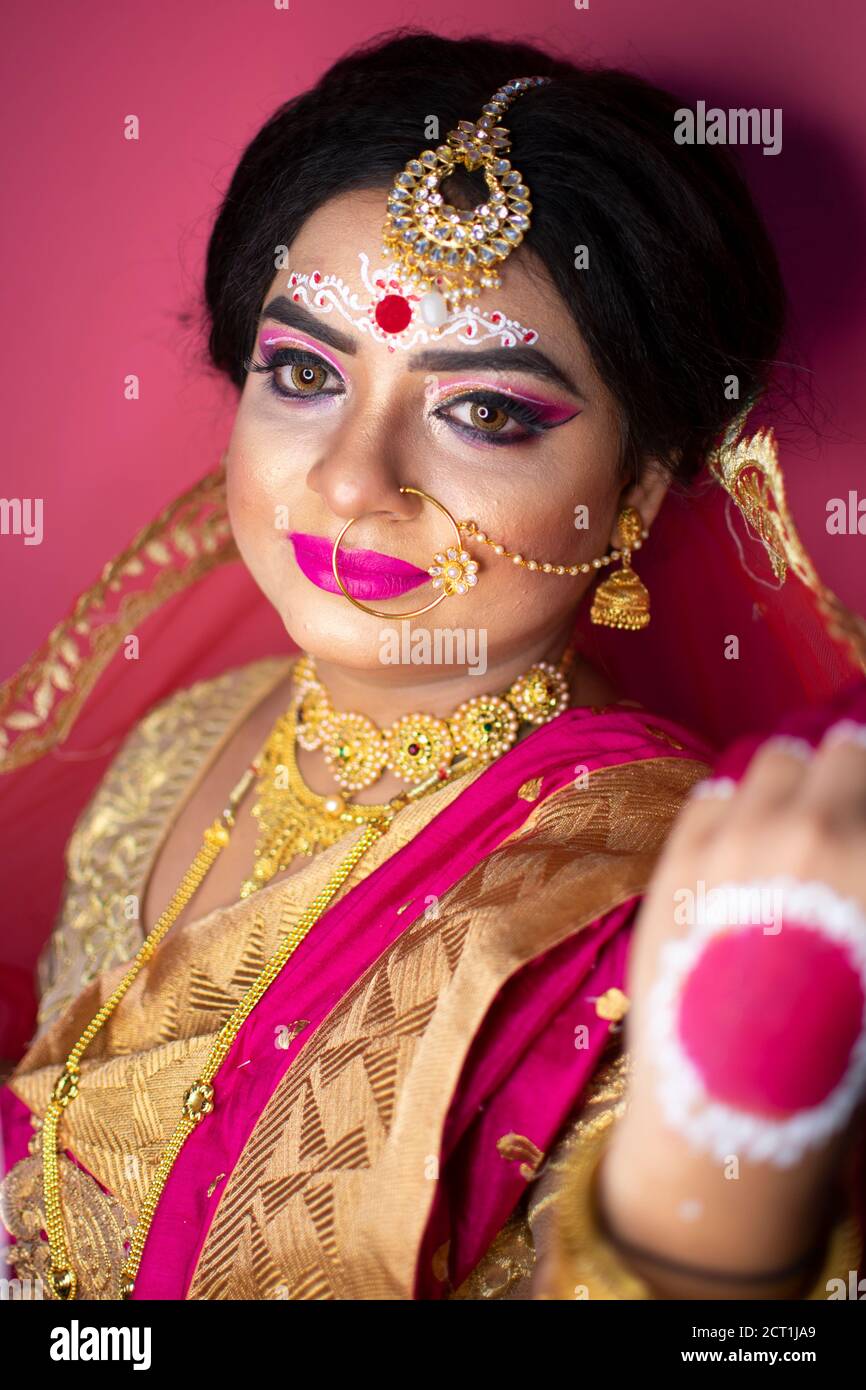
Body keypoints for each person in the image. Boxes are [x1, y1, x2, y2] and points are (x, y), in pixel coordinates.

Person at [1, 30, 864, 1302]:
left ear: (635, 485)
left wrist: (723, 1169)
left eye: (487, 412)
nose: (351, 482)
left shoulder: (666, 894)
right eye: (300, 372)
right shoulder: (183, 740)